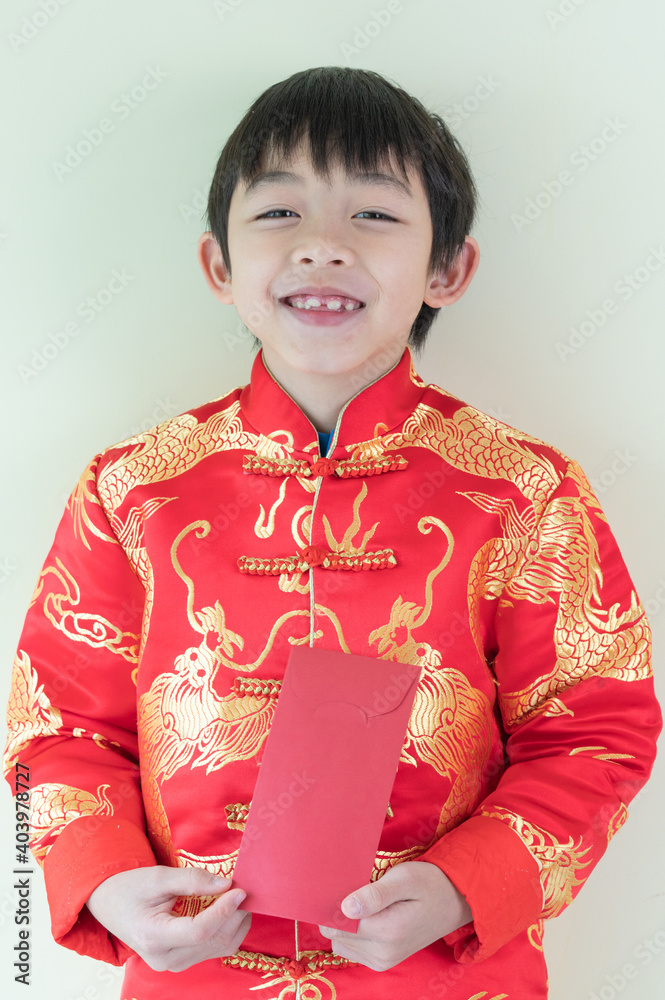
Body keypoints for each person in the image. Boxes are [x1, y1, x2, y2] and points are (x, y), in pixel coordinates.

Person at [4, 65, 661, 1000]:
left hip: (445, 975)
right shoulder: (131, 491)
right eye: (278, 214)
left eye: (373, 216)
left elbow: (597, 734)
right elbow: (52, 730)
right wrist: (101, 885)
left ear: (448, 268)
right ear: (218, 267)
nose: (320, 248)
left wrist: (464, 886)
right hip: (193, 975)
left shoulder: (523, 493)